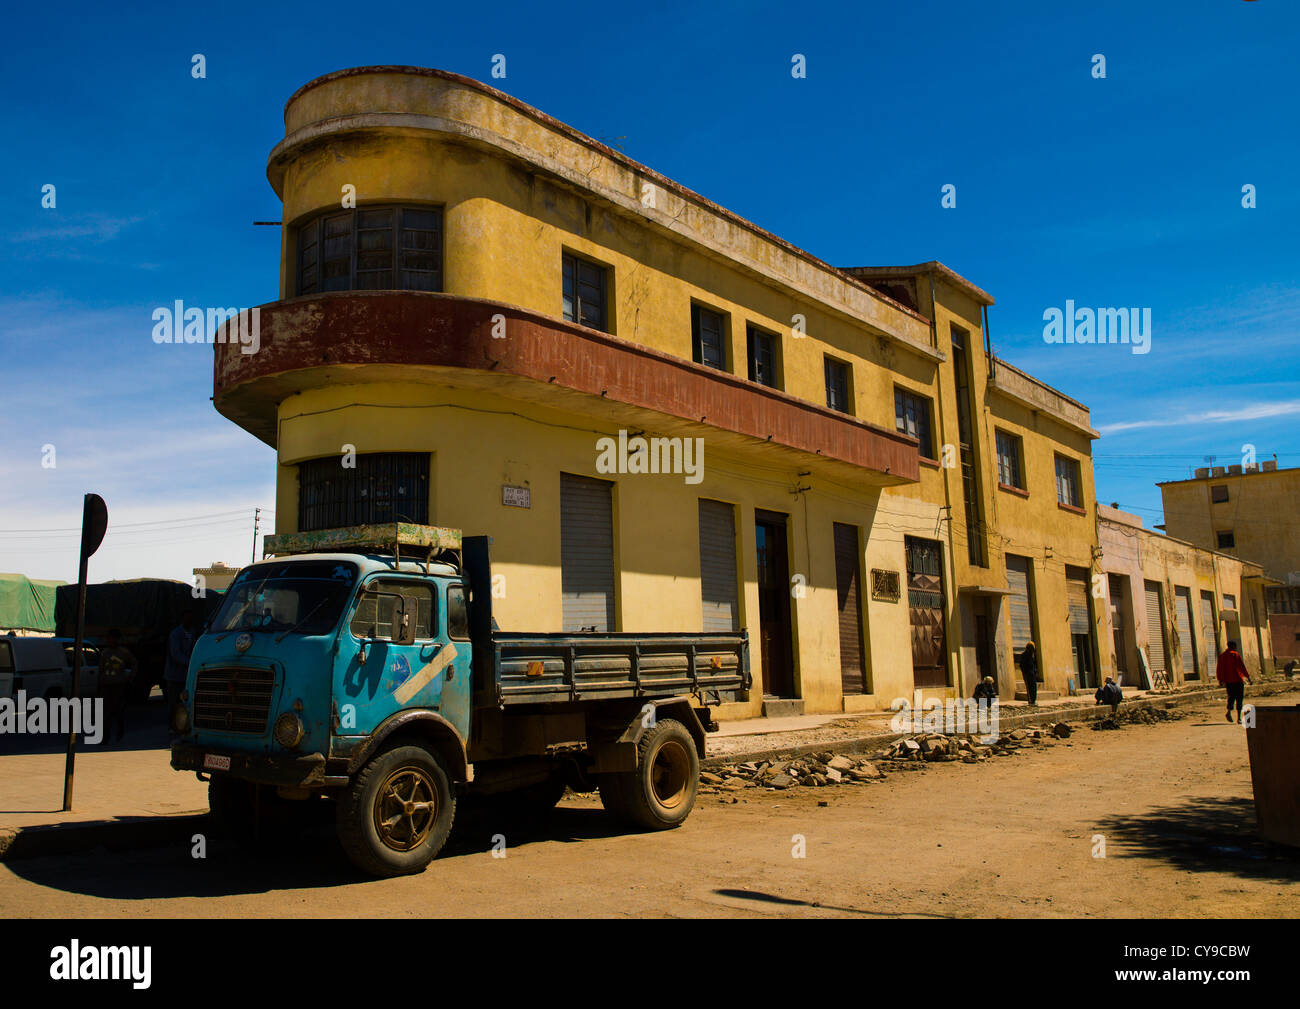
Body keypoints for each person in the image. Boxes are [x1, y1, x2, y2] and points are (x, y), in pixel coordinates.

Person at [98, 628, 138, 743]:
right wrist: (99, 684)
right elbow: (100, 669)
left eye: (113, 638)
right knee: (106, 713)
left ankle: (120, 733)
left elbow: (134, 663)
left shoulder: (123, 652)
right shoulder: (105, 653)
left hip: (119, 685)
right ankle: (105, 737)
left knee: (118, 712)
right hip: (106, 685)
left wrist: (130, 676)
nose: (110, 640)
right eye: (109, 638)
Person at [164, 609, 196, 716]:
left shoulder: (192, 633)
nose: (189, 621)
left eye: (191, 618)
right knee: (174, 703)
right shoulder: (176, 634)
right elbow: (176, 654)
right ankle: (172, 726)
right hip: (175, 676)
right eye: (187, 618)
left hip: (186, 675)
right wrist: (191, 663)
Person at [1215, 639, 1251, 723]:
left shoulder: (1222, 656)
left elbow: (1219, 669)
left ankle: (1229, 712)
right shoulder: (1235, 655)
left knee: (1231, 697)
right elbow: (1242, 667)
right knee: (1239, 698)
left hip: (1229, 681)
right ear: (1234, 647)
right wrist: (1248, 677)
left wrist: (1220, 680)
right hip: (1238, 679)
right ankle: (1238, 718)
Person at [1019, 641, 1039, 706]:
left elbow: (1035, 664)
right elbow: (1022, 665)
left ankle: (1033, 700)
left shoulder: (1032, 655)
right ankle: (1031, 701)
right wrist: (1025, 672)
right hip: (1028, 674)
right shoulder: (1024, 655)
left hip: (1032, 674)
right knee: (1029, 687)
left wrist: (1035, 672)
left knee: (1034, 687)